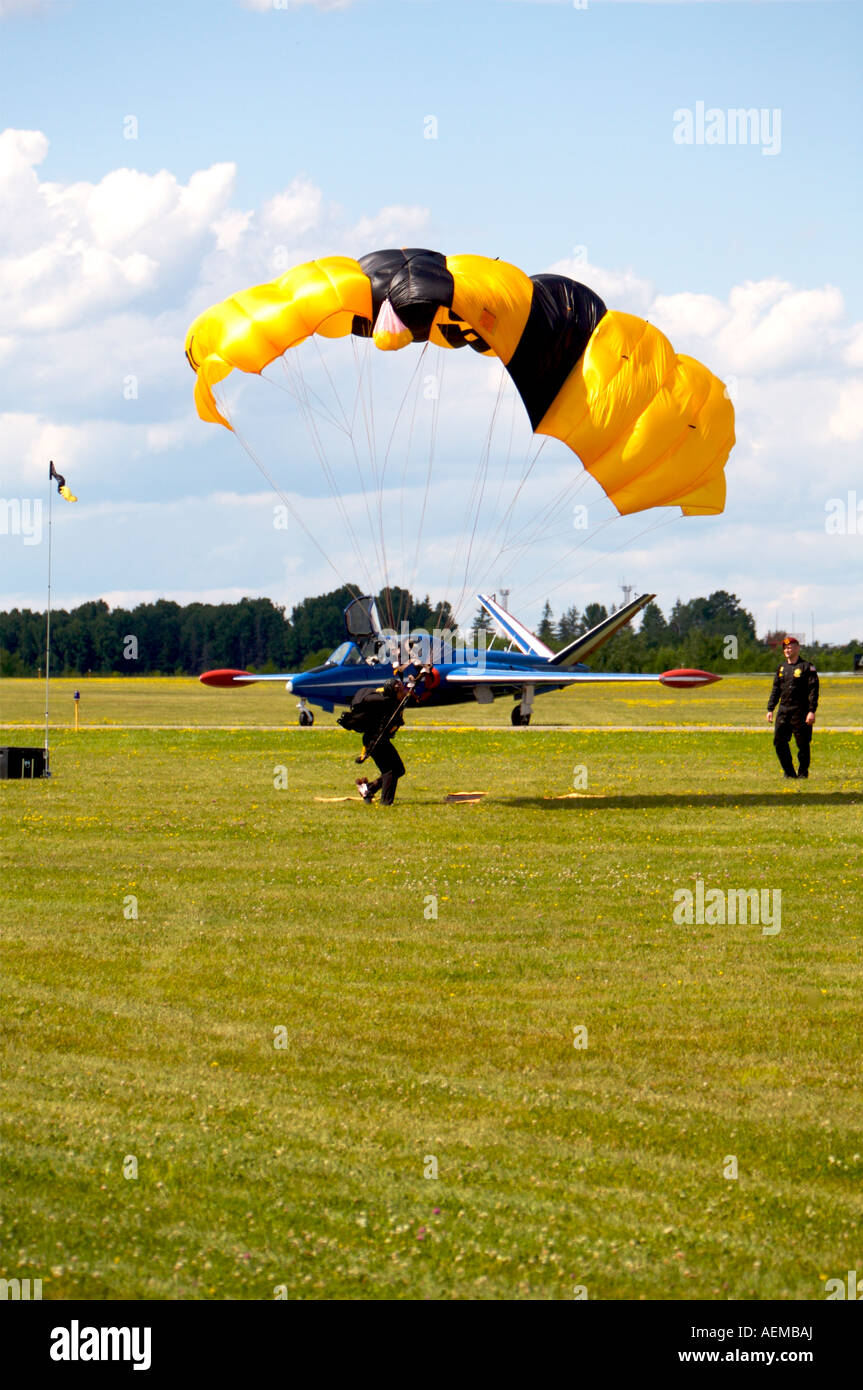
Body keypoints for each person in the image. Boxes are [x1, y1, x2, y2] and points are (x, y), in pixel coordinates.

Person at [767, 636, 819, 779]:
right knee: (779, 742)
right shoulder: (781, 668)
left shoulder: (807, 667)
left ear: (797, 648)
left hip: (800, 711)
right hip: (783, 710)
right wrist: (770, 709)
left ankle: (803, 773)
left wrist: (811, 711)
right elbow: (776, 689)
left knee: (802, 743)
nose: (787, 650)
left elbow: (813, 691)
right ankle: (789, 773)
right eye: (785, 648)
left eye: (790, 647)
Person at [351, 677, 410, 805]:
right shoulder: (388, 704)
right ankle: (386, 803)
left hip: (380, 740)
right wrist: (365, 752)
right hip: (375, 740)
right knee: (390, 770)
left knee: (399, 770)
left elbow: (408, 694)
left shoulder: (395, 702)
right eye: (401, 689)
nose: (404, 690)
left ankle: (369, 789)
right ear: (395, 692)